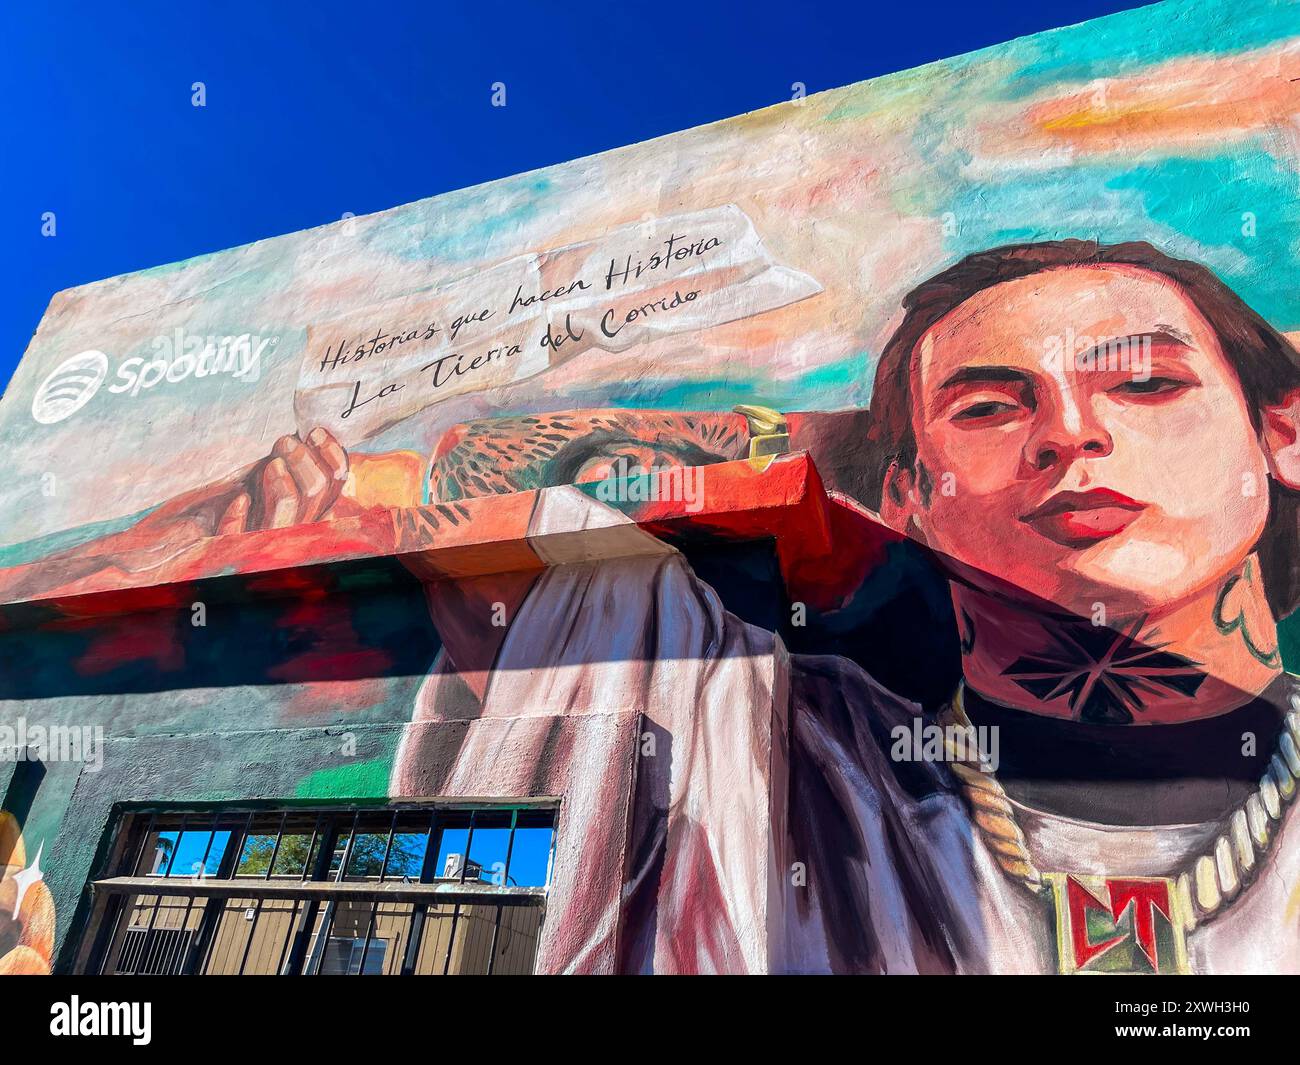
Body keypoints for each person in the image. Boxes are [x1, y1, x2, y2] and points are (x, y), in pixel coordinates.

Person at [8, 239, 1300, 973]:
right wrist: (825, 452)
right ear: (902, 490)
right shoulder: (786, 751)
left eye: (1144, 386)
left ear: (1279, 432)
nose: (1071, 435)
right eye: (990, 404)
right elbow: (472, 501)